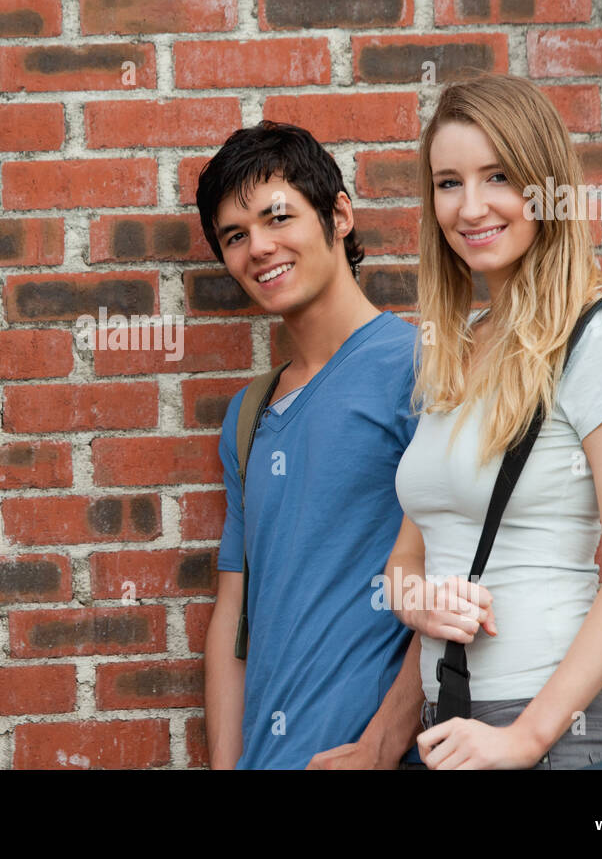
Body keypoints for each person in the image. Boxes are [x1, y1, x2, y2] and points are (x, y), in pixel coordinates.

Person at [385, 73, 602, 769]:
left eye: (498, 176)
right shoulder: (453, 349)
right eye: (448, 182)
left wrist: (526, 737)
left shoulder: (599, 338)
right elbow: (408, 556)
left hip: (544, 736)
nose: (471, 206)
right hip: (450, 728)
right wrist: (414, 601)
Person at [199, 121, 425, 770]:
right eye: (235, 237)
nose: (259, 248)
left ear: (340, 214)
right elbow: (234, 611)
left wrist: (382, 745)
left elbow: (462, 575)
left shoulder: (421, 371)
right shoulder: (247, 416)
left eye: (278, 218)